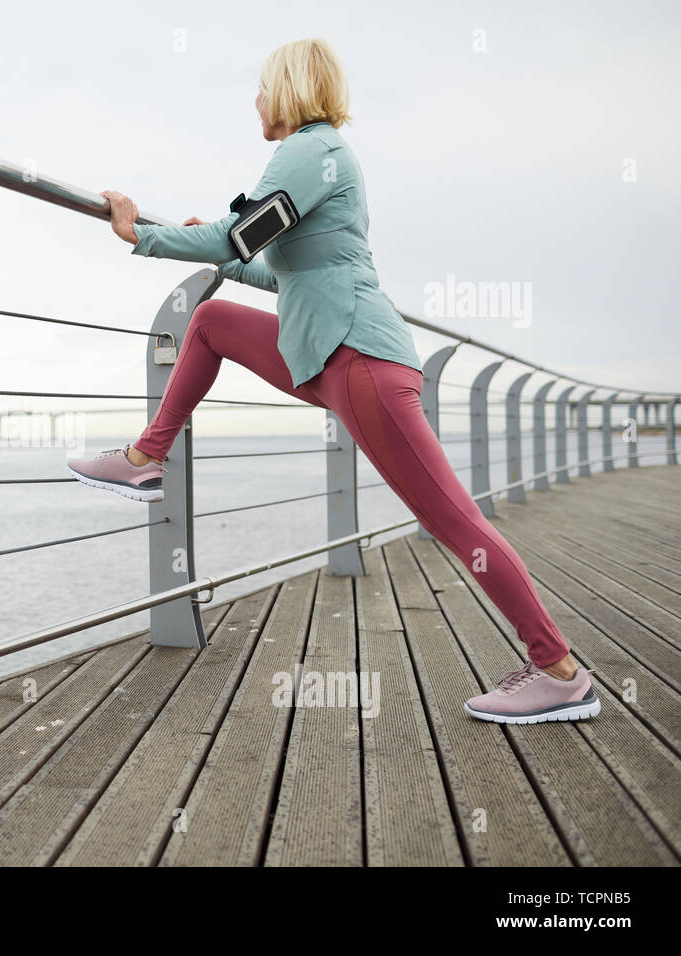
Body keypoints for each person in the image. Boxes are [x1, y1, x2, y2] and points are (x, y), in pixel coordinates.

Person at [67, 37, 599, 725]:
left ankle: (558, 670)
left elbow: (240, 236)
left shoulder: (310, 150)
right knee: (212, 322)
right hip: (328, 355)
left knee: (452, 520)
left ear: (286, 90)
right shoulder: (322, 160)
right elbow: (281, 267)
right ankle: (145, 459)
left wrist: (141, 232)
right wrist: (222, 248)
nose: (254, 100)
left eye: (261, 87)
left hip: (359, 361)